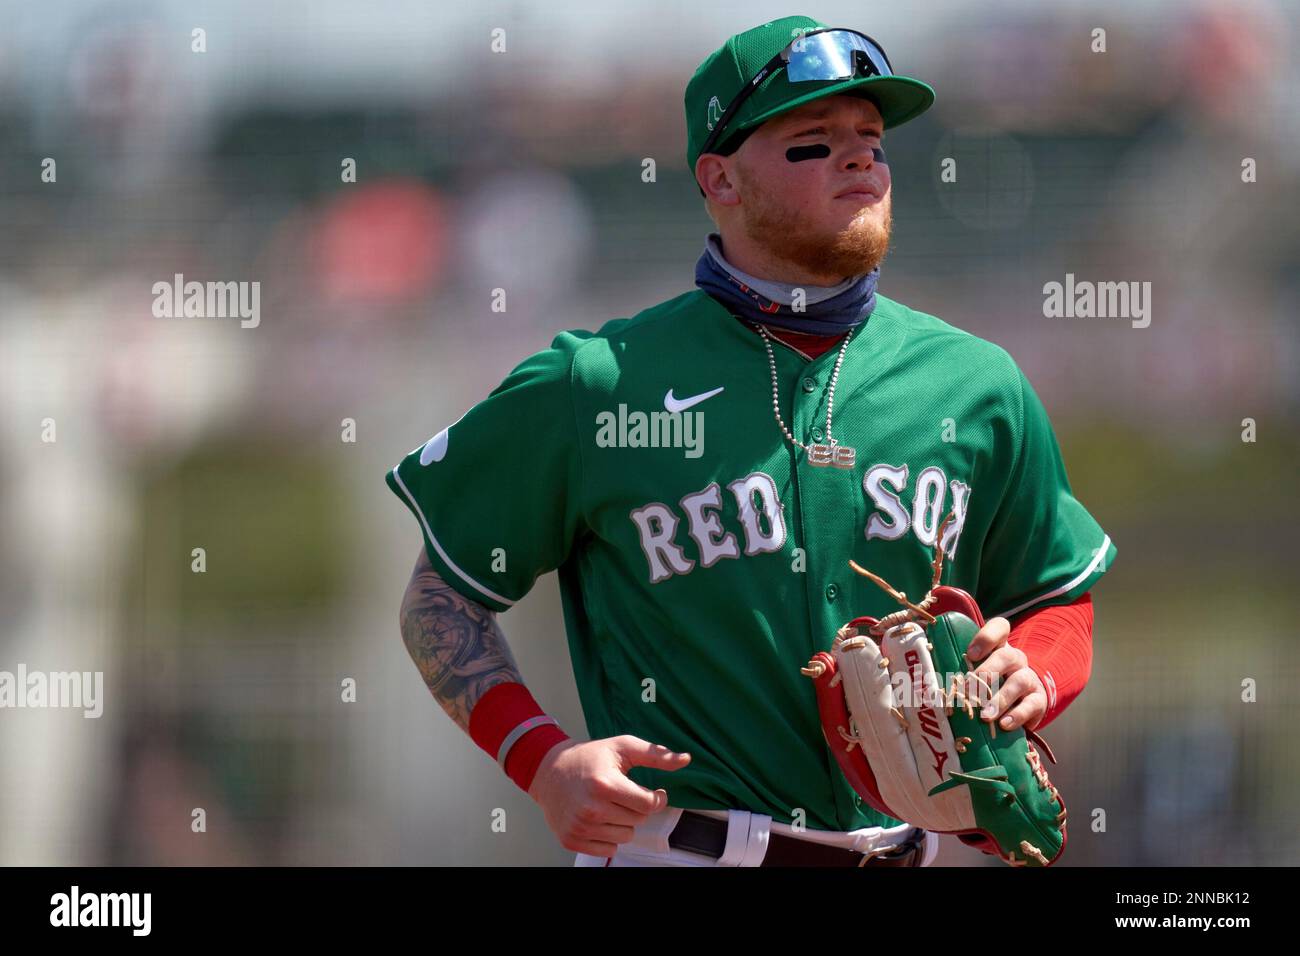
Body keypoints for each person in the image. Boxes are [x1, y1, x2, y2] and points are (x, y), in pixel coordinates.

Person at [386, 15, 1115, 867]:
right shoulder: (600, 385)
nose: (859, 159)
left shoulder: (975, 385)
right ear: (720, 178)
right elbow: (440, 597)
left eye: (872, 140)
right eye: (811, 142)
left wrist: (1039, 667)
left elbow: (1056, 597)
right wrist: (541, 760)